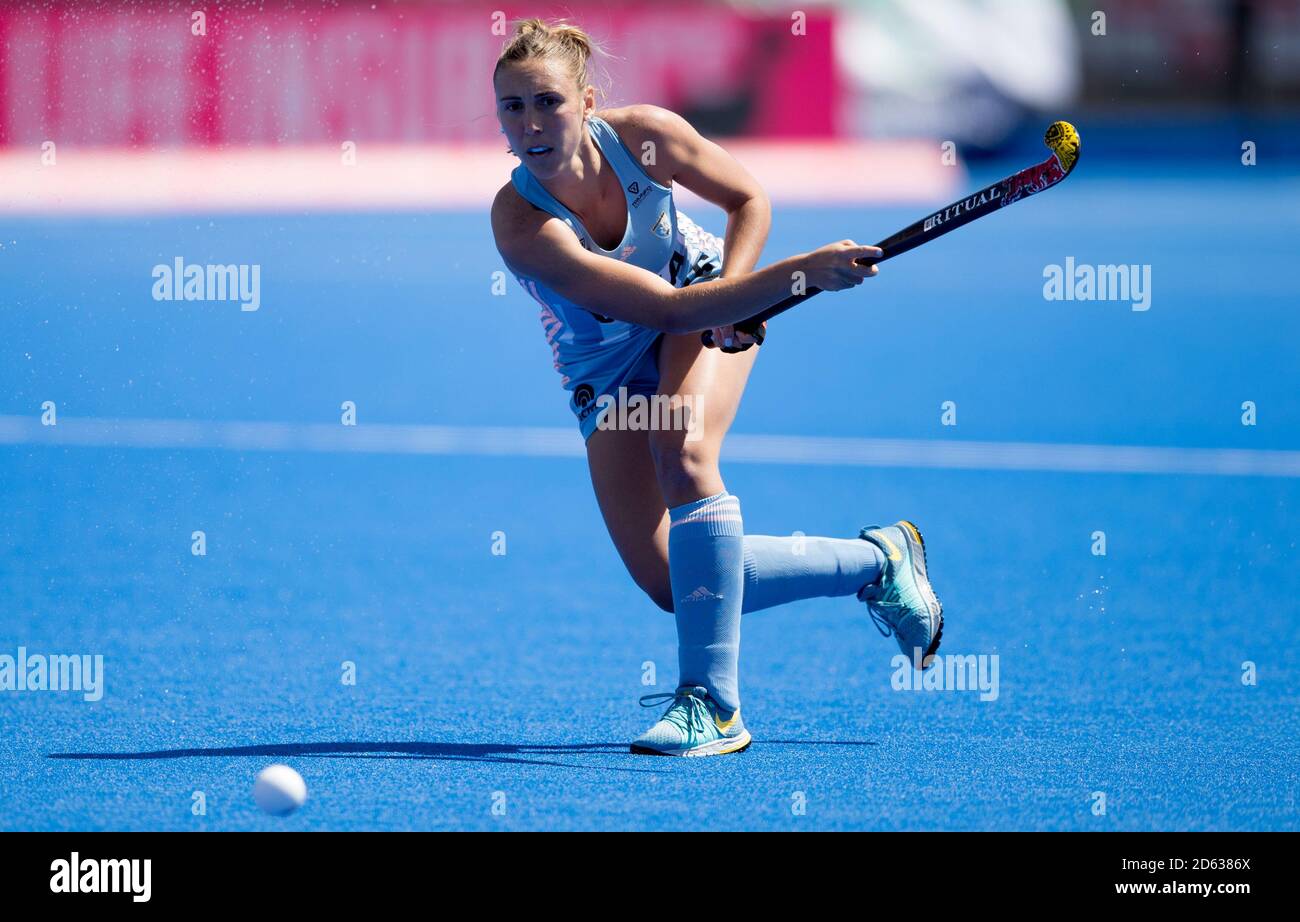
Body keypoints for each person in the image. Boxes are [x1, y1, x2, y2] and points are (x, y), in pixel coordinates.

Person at [490, 19, 943, 757]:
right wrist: (801, 273)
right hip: (609, 365)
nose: (532, 123)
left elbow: (747, 200)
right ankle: (878, 562)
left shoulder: (644, 138)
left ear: (587, 102)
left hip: (697, 290)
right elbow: (658, 312)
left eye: (548, 101)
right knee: (674, 583)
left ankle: (712, 705)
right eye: (512, 108)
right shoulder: (518, 221)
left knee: (684, 456)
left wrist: (738, 295)